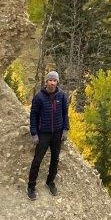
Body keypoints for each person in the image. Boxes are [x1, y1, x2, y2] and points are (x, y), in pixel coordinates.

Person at [27, 69, 69, 199]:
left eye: (54, 80)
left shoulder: (62, 95)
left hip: (57, 133)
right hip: (43, 133)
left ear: (57, 82)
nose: (52, 83)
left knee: (55, 159)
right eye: (50, 80)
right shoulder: (39, 97)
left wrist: (65, 129)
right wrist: (34, 133)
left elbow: (65, 113)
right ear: (46, 82)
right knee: (37, 160)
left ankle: (50, 182)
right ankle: (31, 186)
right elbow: (33, 115)